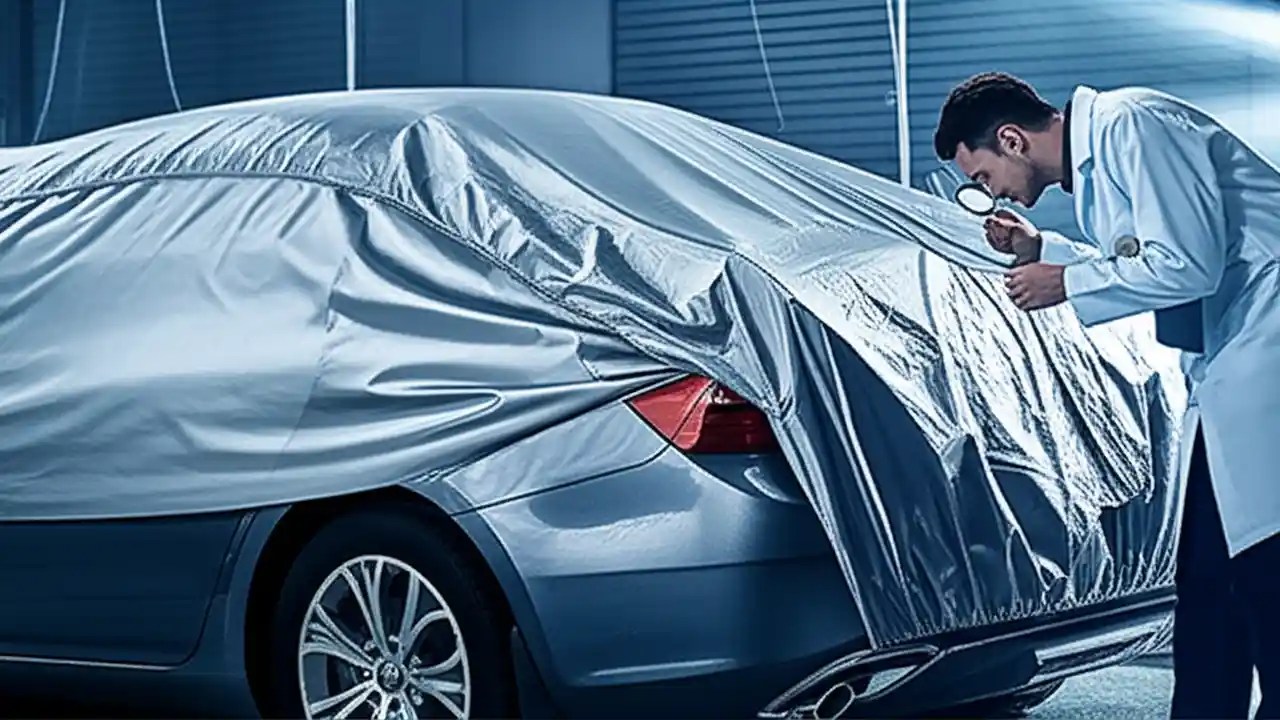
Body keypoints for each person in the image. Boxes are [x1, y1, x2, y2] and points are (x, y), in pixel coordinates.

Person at [932, 71, 1280, 719]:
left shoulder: (1131, 124)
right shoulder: (1101, 165)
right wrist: (1044, 250)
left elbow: (1188, 263)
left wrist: (1064, 283)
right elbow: (1140, 256)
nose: (991, 193)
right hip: (1233, 365)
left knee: (1259, 577)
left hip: (1266, 351)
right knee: (1209, 585)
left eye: (982, 177)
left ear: (1011, 140)